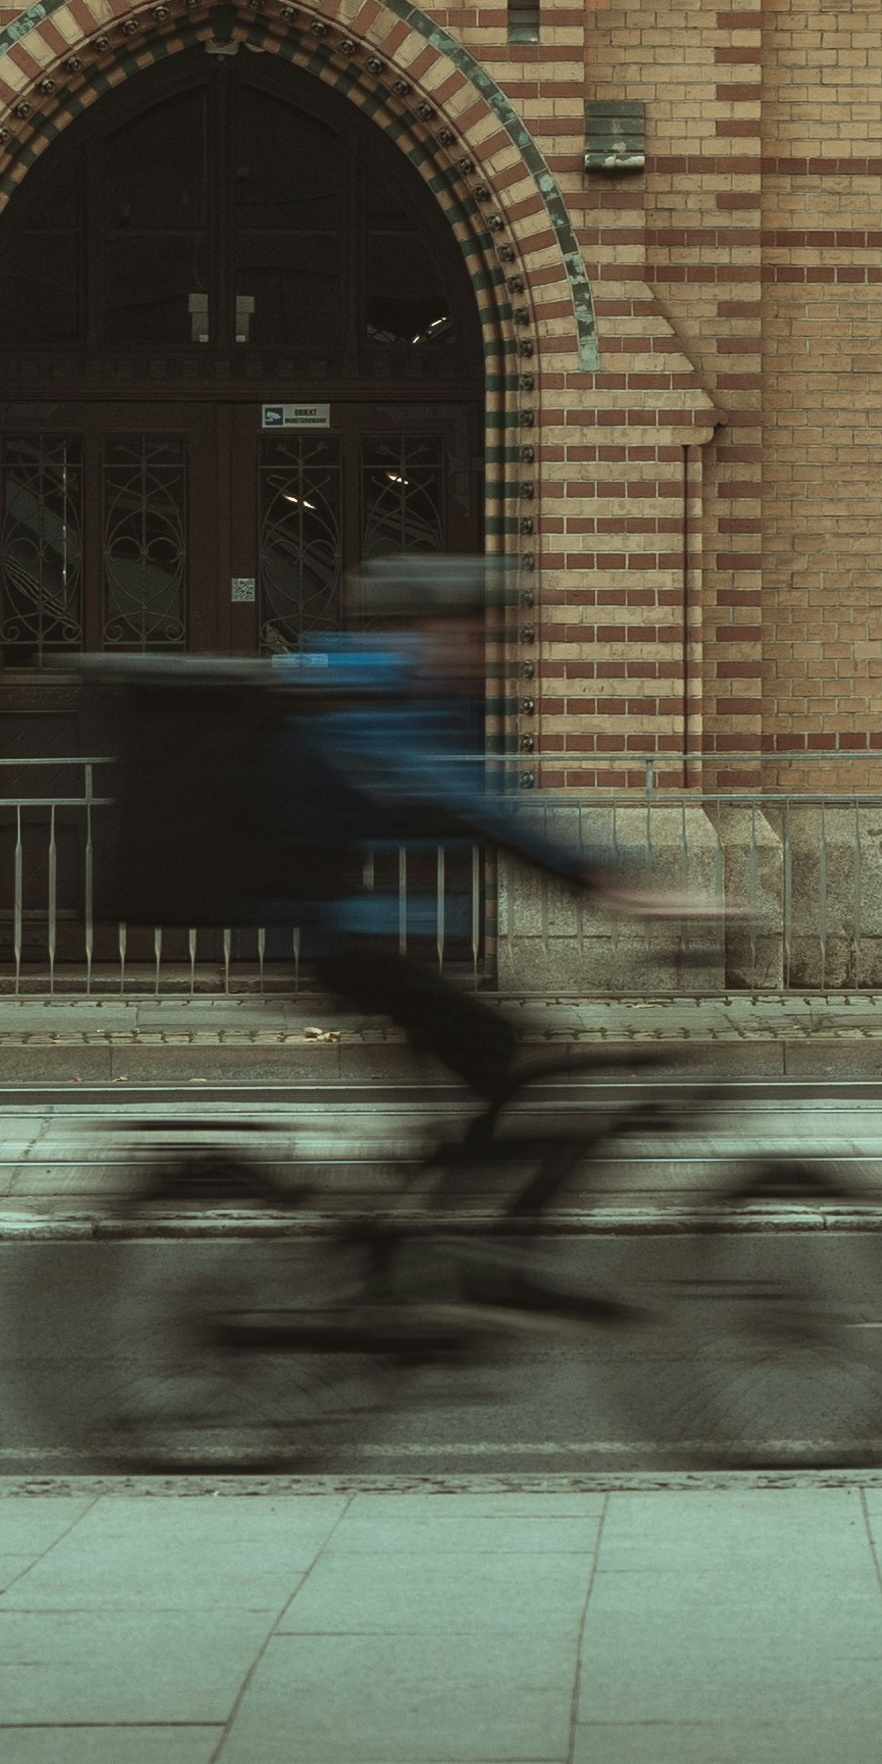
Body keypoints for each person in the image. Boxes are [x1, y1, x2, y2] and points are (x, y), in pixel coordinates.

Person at [276, 555, 649, 1311]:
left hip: (374, 938)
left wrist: (599, 872)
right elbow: (471, 807)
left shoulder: (429, 699)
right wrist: (605, 883)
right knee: (517, 1071)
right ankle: (487, 1266)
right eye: (472, 634)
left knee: (488, 1096)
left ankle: (403, 1254)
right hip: (345, 939)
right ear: (432, 628)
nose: (484, 653)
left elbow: (490, 794)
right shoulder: (377, 695)